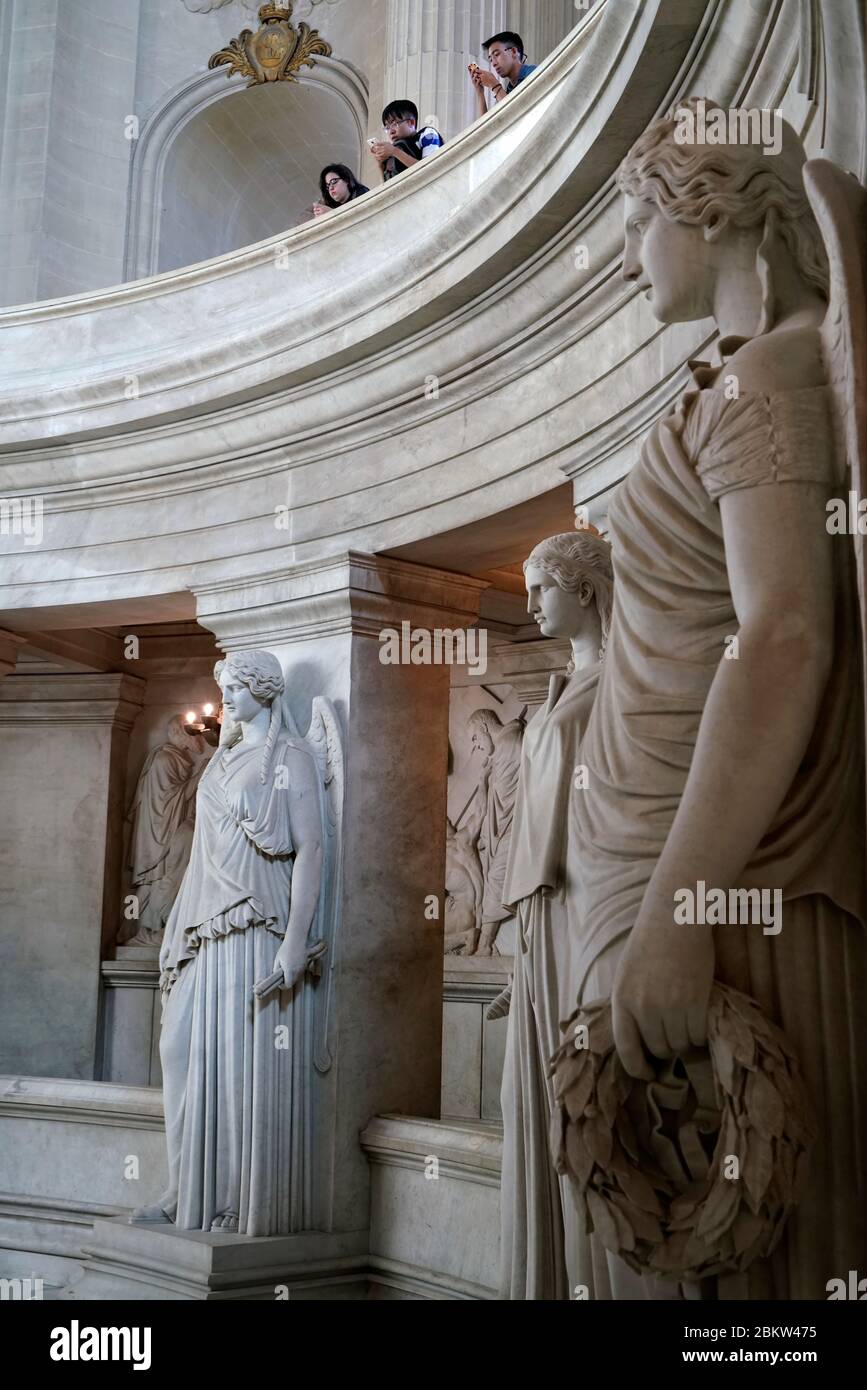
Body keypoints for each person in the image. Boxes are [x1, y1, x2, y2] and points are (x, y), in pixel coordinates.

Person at [571, 99, 867, 1299]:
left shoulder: (768, 378)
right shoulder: (736, 378)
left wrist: (677, 911)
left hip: (733, 876)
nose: (632, 253)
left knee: (753, 1271)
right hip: (675, 852)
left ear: (708, 208)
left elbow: (786, 633)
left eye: (641, 220)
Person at [130, 651, 326, 1236]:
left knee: (241, 1063)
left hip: (255, 921)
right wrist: (176, 931)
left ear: (265, 691)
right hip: (205, 922)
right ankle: (185, 1184)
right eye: (226, 688)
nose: (229, 698)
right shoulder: (220, 762)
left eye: (237, 687)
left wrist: (296, 942)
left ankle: (238, 1195)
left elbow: (312, 849)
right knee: (180, 1047)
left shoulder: (291, 756)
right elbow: (199, 857)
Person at [497, 530, 613, 1300]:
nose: (531, 603)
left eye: (544, 588)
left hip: (587, 910)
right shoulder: (561, 688)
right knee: (526, 1098)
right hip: (542, 919)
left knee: (580, 1095)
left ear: (586, 590)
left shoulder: (622, 681)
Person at [370, 101, 444, 183]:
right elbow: (386, 186)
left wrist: (394, 151)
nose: (391, 131)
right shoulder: (397, 147)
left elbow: (429, 170)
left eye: (394, 124)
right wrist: (381, 165)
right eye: (387, 127)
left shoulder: (427, 134)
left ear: (411, 122)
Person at [470, 32, 537, 118]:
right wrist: (480, 92)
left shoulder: (534, 73)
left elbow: (517, 117)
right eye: (490, 59)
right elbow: (490, 127)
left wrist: (494, 85)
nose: (493, 63)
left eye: (496, 54)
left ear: (513, 52)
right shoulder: (506, 92)